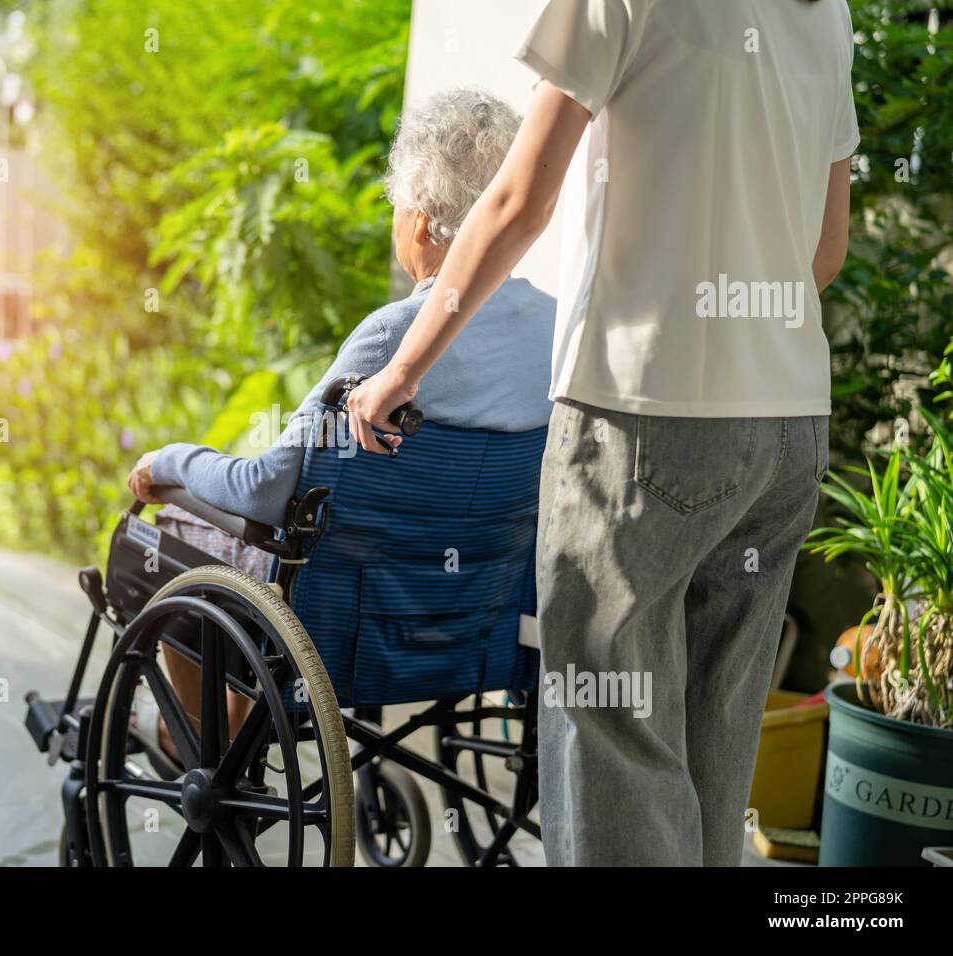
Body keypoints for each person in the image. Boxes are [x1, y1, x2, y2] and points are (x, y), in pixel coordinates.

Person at [346, 0, 857, 866]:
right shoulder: (826, 11)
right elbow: (824, 249)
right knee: (714, 739)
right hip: (788, 426)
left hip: (645, 416)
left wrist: (404, 369)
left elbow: (514, 199)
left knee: (614, 732)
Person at [126, 87, 557, 759]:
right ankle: (234, 720)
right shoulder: (558, 331)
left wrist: (171, 460)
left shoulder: (395, 339)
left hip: (345, 623)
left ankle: (198, 737)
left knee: (161, 535)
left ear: (418, 223)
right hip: (475, 619)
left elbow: (265, 491)